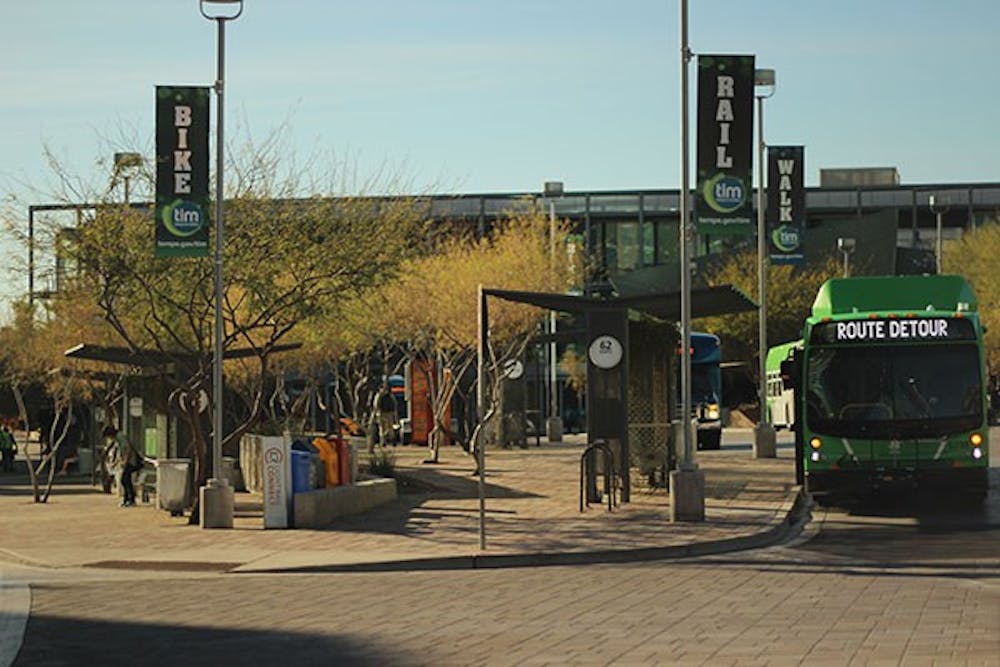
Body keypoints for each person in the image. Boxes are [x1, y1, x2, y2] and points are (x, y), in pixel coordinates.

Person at [103, 425, 142, 507]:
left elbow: (127, 449)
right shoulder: (118, 438)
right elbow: (120, 453)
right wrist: (116, 462)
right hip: (127, 461)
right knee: (125, 480)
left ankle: (131, 500)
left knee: (125, 479)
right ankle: (127, 499)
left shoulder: (120, 437)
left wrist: (125, 461)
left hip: (131, 461)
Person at [377, 383, 398, 447]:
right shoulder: (390, 395)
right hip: (388, 413)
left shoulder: (380, 395)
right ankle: (391, 440)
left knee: (383, 428)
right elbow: (394, 405)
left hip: (383, 413)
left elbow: (377, 404)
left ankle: (384, 441)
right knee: (389, 428)